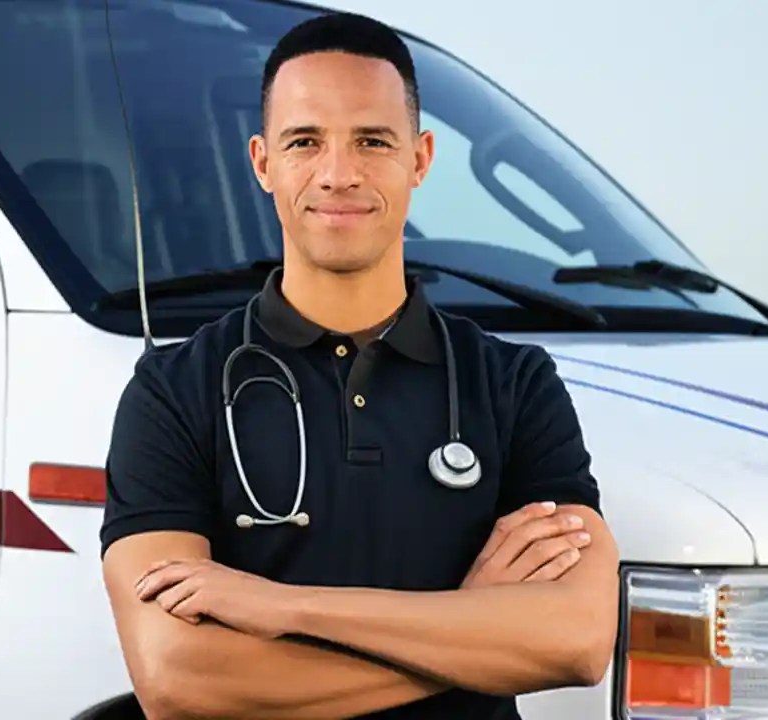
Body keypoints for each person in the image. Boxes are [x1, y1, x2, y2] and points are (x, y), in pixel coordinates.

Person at [100, 11, 620, 719]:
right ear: (263, 163)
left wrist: (285, 608)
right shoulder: (174, 389)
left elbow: (579, 641)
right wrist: (472, 628)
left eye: (372, 141)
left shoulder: (515, 385)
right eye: (305, 141)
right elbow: (176, 679)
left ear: (420, 159)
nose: (338, 173)